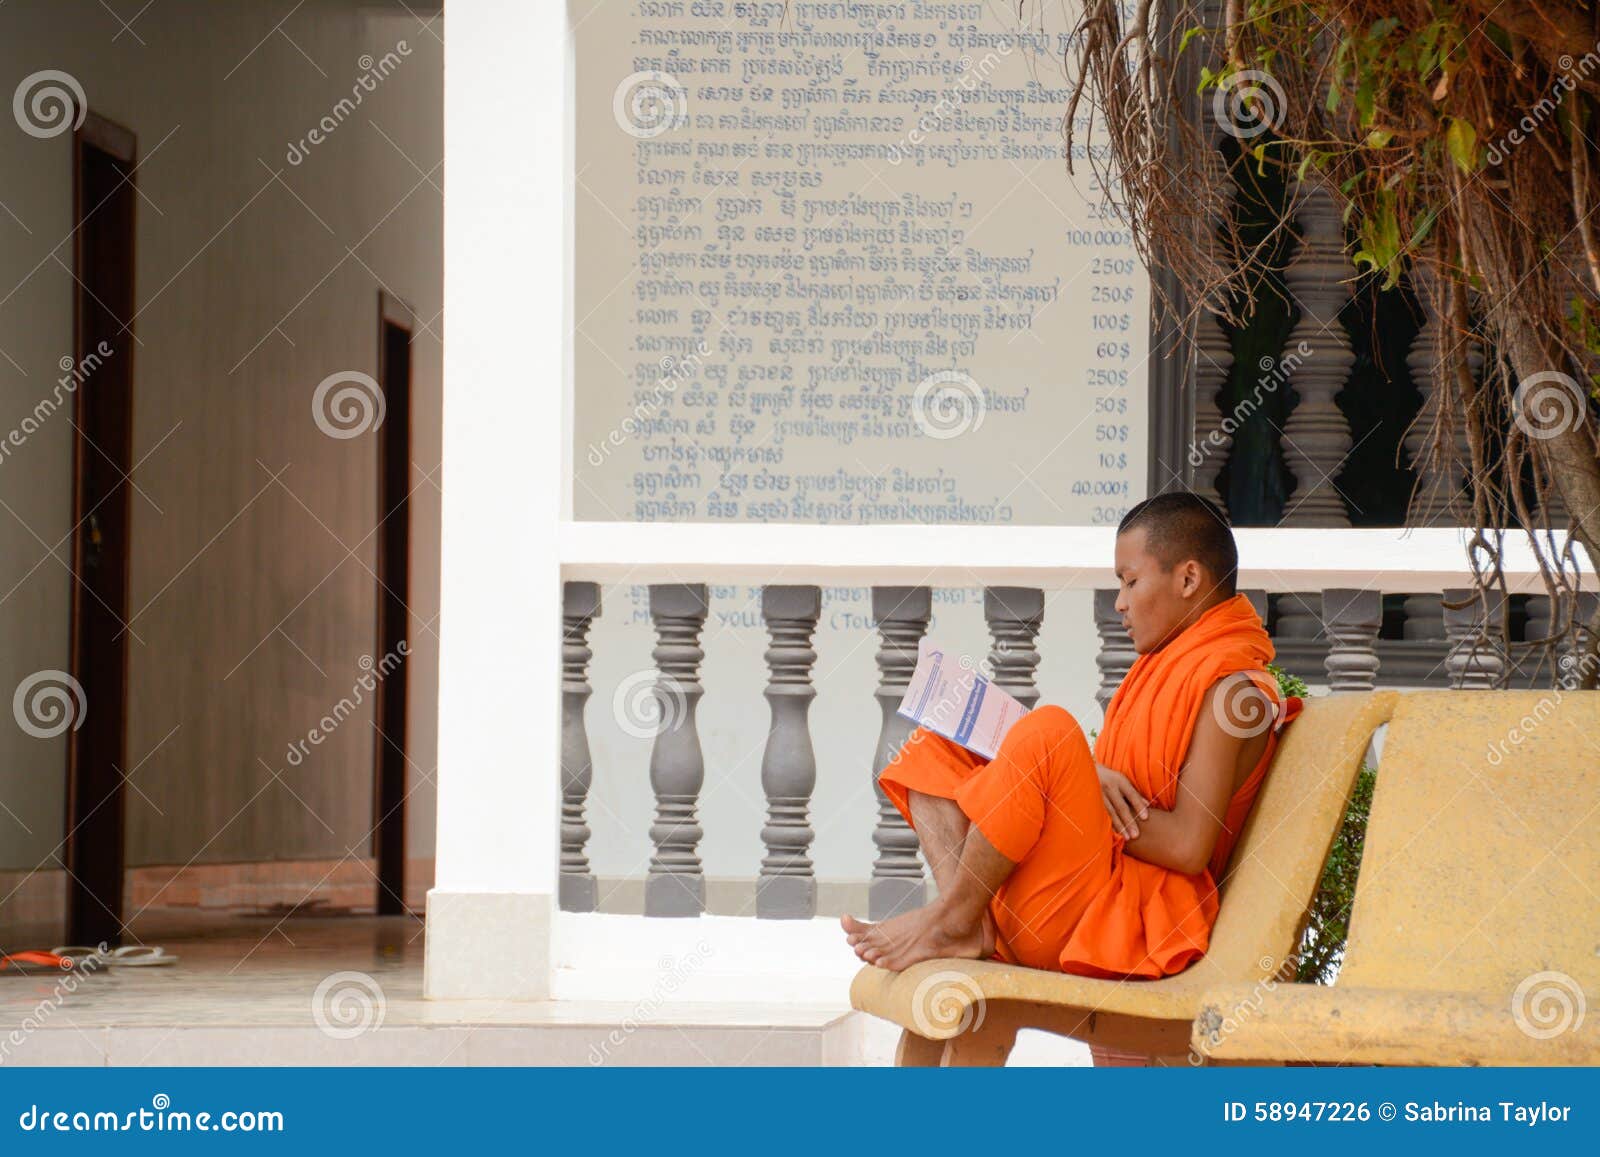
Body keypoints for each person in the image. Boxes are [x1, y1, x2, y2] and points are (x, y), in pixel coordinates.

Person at [841, 491, 1302, 979]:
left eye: (1130, 582)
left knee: (1050, 730)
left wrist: (1080, 782)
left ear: (1188, 578)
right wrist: (1085, 780)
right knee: (934, 746)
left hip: (1124, 918)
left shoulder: (1232, 691)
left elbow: (1189, 846)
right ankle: (966, 918)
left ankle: (953, 917)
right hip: (1074, 887)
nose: (1120, 603)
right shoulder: (1164, 664)